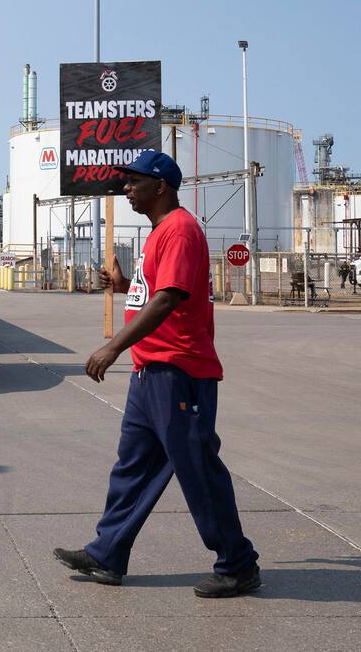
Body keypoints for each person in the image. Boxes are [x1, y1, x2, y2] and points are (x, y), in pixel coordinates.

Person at [54, 151, 261, 599]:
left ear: (160, 185)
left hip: (179, 370)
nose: (126, 188)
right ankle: (106, 554)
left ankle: (238, 564)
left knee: (198, 470)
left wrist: (113, 346)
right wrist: (126, 284)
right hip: (151, 372)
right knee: (132, 468)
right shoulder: (159, 233)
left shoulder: (181, 231)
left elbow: (169, 300)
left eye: (133, 181)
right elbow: (158, 294)